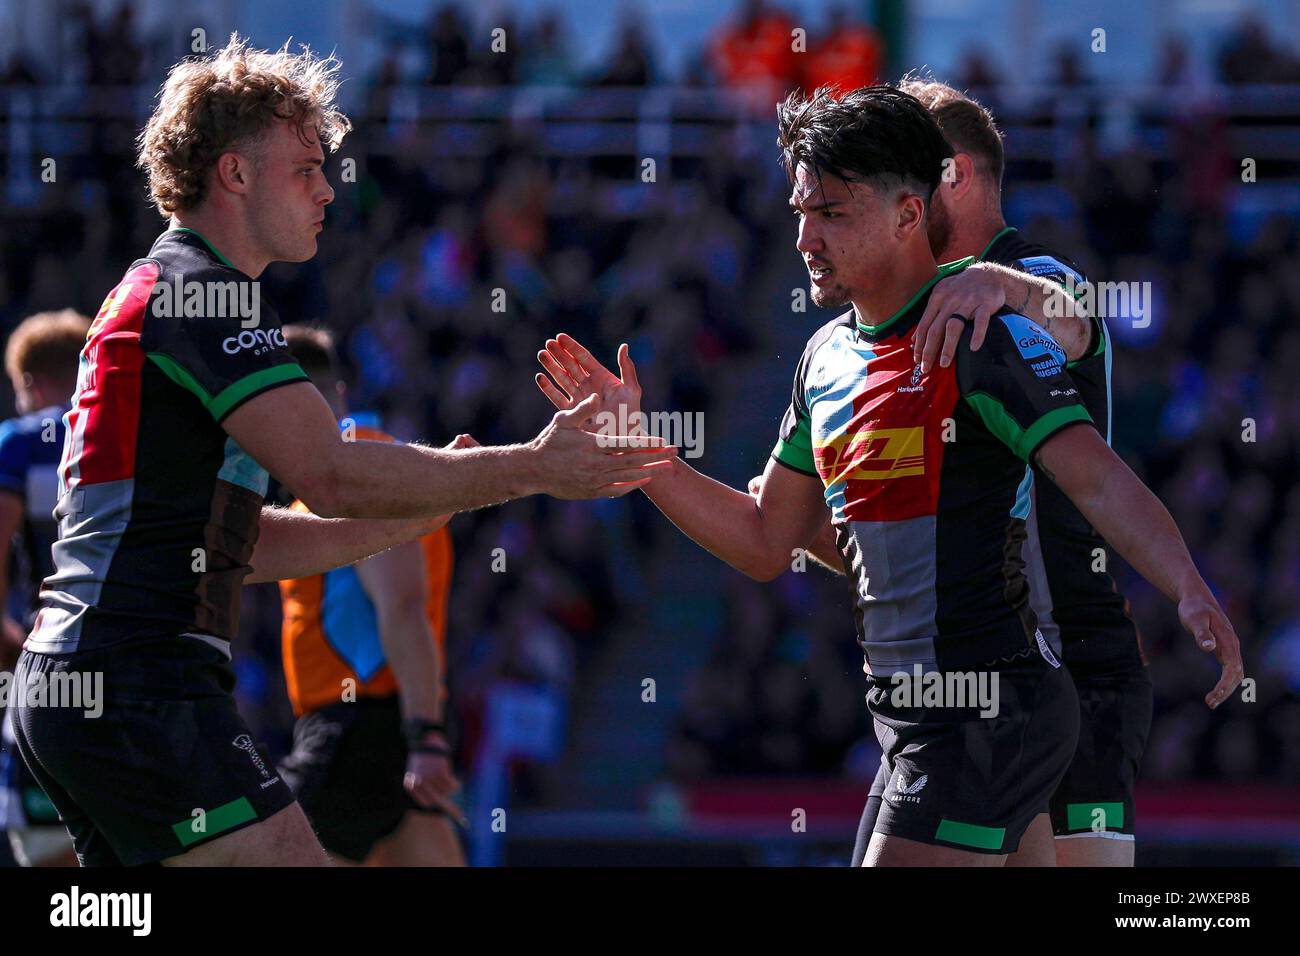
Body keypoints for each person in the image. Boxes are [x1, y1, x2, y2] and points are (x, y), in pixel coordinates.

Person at [10, 36, 674, 868]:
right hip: (139, 681)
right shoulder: (200, 290)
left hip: (93, 683)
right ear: (235, 174)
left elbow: (250, 546)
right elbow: (330, 475)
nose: (329, 187)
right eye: (306, 167)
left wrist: (449, 496)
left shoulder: (164, 287)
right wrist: (534, 464)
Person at [535, 86, 1243, 867]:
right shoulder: (825, 358)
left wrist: (1187, 585)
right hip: (917, 723)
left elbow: (1098, 474)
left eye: (832, 213)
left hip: (993, 708)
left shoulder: (981, 328)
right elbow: (769, 537)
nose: (806, 237)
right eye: (802, 210)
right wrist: (642, 453)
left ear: (914, 211)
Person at [785, 78, 1155, 867]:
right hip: (985, 683)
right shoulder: (892, 329)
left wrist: (1007, 284)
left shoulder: (1024, 278)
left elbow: (1078, 318)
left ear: (942, 176)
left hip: (1070, 665)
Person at [276, 325, 465, 867]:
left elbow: (402, 605)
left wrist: (425, 735)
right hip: (387, 724)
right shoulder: (363, 465)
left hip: (358, 725)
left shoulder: (360, 465)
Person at [0, 310, 88, 868]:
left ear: (29, 382)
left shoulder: (20, 444)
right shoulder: (135, 431)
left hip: (47, 675)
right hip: (138, 672)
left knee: (51, 858)